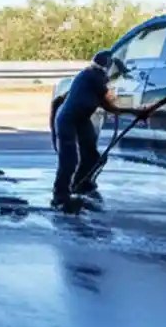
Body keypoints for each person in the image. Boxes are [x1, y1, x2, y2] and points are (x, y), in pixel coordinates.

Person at [52, 50, 146, 211]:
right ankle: (60, 195)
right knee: (69, 160)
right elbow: (110, 101)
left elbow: (109, 107)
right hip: (68, 120)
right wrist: (134, 110)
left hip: (81, 119)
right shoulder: (94, 77)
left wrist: (134, 112)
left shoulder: (90, 76)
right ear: (107, 67)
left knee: (93, 156)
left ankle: (81, 184)